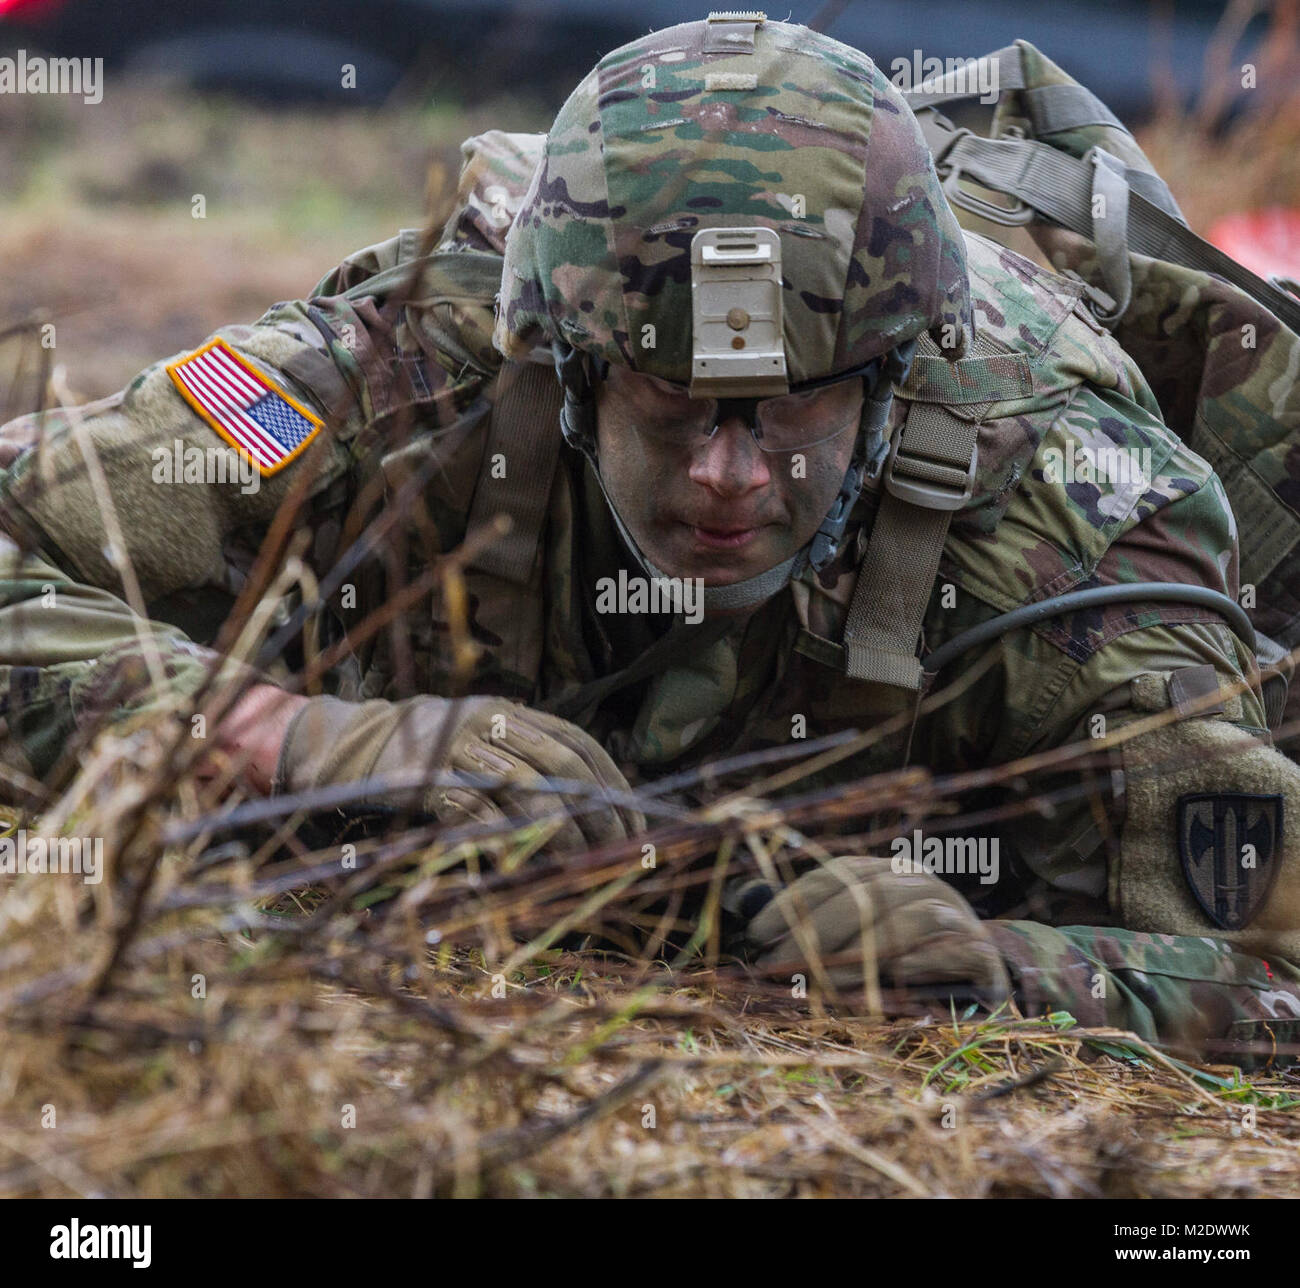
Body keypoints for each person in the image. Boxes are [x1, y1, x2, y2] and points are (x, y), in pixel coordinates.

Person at [3, 13, 1299, 1066]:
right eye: (672, 406)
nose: (729, 477)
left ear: (889, 382)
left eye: (790, 407)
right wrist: (298, 736)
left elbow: (1268, 962)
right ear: (571, 373)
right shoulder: (414, 371)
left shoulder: (1071, 526)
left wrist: (1004, 971)